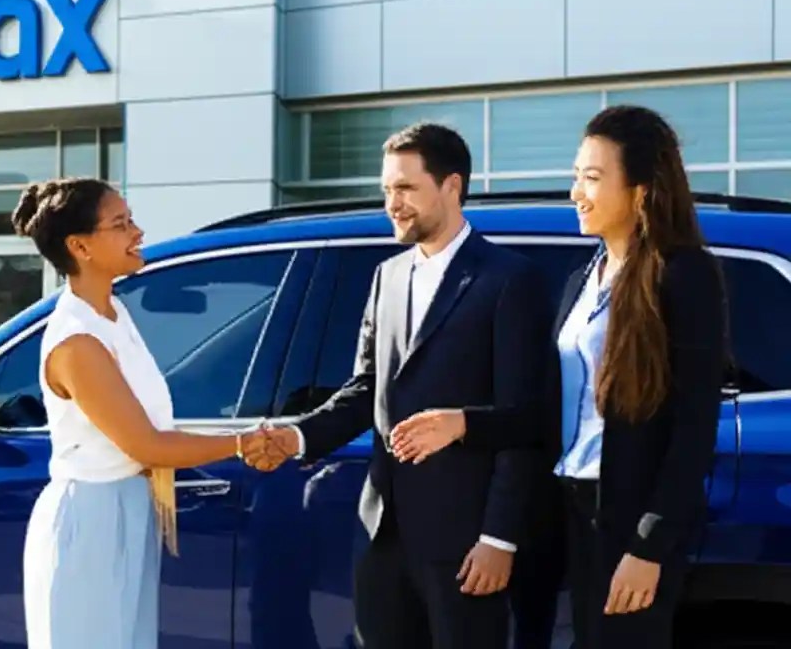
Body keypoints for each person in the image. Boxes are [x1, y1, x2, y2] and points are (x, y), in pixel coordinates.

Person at [390, 105, 729, 649]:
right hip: (556, 514)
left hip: (623, 521)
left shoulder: (683, 275)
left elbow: (693, 430)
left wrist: (648, 547)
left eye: (591, 178)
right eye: (576, 177)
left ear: (641, 189)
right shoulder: (581, 280)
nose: (576, 193)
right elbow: (547, 412)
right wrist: (464, 424)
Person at [244, 122, 553, 649]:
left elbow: (526, 418)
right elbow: (368, 389)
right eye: (388, 189)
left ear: (451, 186)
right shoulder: (386, 276)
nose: (393, 203)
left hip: (467, 543)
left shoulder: (509, 279)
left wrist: (498, 538)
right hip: (383, 536)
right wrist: (297, 436)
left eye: (406, 188)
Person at [12, 177, 264, 649]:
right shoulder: (77, 341)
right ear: (80, 246)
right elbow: (147, 444)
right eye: (121, 224)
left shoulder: (112, 314)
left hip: (128, 509)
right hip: (90, 522)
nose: (138, 232)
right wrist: (241, 443)